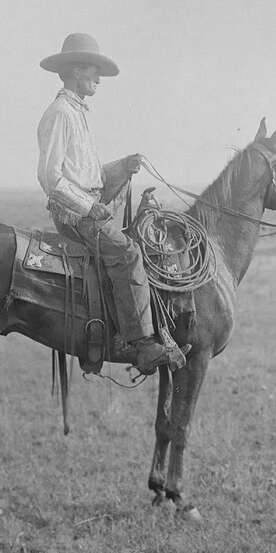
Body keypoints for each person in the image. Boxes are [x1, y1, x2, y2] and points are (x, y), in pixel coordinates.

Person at [36, 33, 186, 373]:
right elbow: (50, 177)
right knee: (128, 253)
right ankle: (142, 344)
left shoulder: (76, 113)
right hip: (75, 215)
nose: (99, 79)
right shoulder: (60, 113)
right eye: (94, 70)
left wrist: (122, 166)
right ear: (76, 71)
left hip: (86, 208)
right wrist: (90, 208)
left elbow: (84, 174)